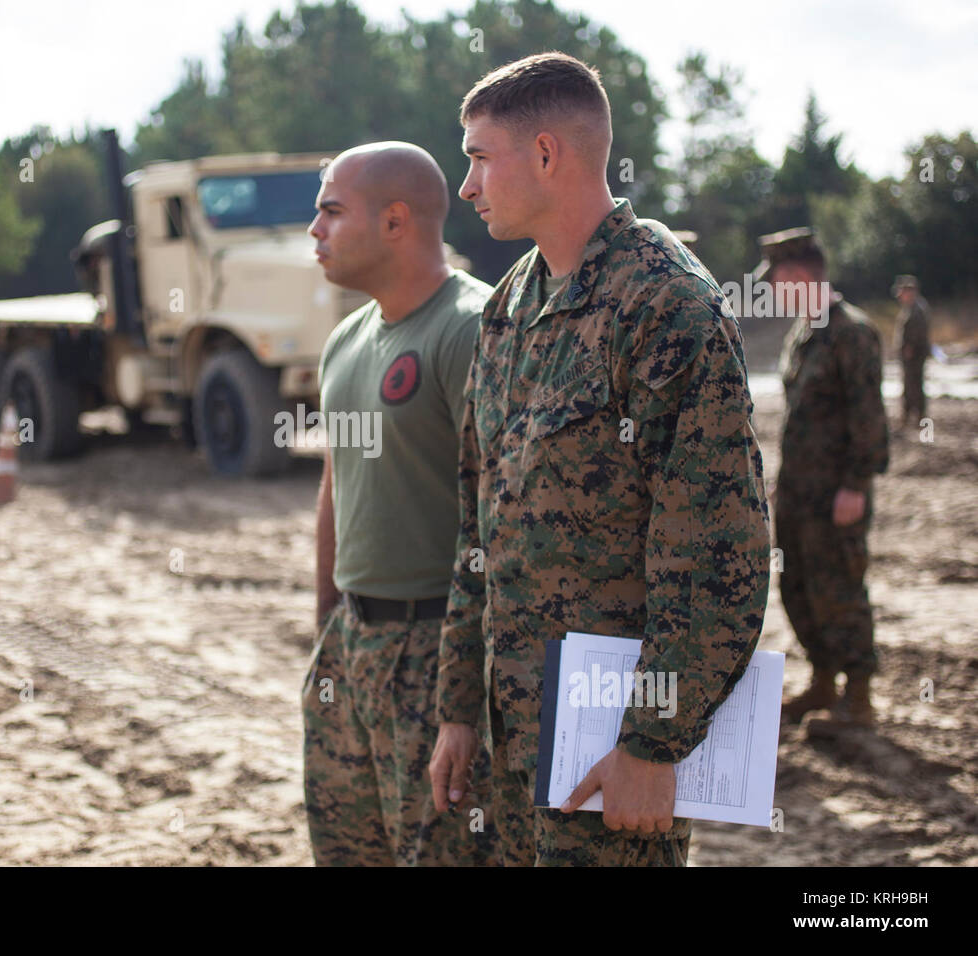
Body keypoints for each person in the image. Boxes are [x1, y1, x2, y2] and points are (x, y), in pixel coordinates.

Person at [428, 51, 770, 866]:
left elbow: (716, 553)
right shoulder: (512, 304)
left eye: (479, 158)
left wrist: (656, 744)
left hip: (610, 751)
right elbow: (481, 525)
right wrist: (459, 707)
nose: (467, 187)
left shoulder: (666, 305)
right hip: (515, 740)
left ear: (547, 153)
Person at [302, 141, 498, 865]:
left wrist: (464, 695)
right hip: (352, 642)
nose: (313, 231)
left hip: (435, 652)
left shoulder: (473, 329)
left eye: (329, 210)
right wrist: (328, 621)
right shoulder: (345, 341)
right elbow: (338, 481)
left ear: (394, 222)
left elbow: (500, 516)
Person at [763, 228, 890, 728]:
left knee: (838, 586)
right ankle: (822, 681)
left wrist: (856, 486)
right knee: (797, 586)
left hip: (836, 494)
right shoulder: (804, 332)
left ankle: (857, 697)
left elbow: (869, 418)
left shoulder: (851, 332)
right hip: (799, 493)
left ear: (798, 275)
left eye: (775, 278)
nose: (770, 287)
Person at [892, 274, 931, 431]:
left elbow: (917, 333)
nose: (900, 296)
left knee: (913, 385)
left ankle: (918, 417)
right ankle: (910, 417)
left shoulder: (917, 309)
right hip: (911, 354)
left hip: (914, 354)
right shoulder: (911, 307)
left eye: (902, 292)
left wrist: (910, 348)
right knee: (910, 384)